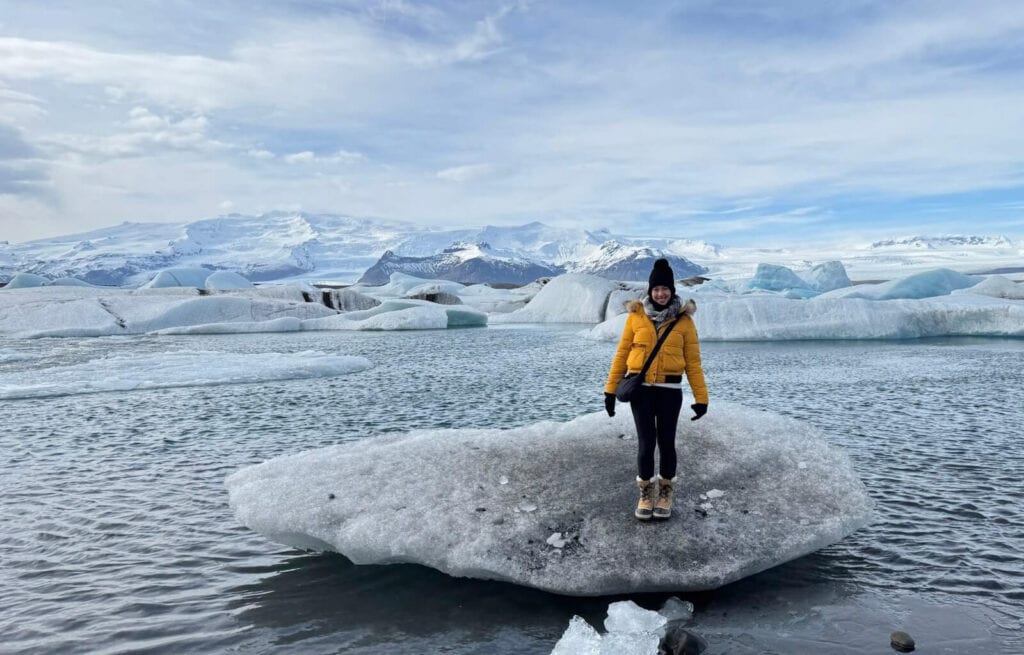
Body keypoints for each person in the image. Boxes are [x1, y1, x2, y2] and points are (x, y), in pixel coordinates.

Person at [604, 258, 709, 520]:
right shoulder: (636, 317)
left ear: (672, 291)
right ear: (650, 291)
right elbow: (622, 354)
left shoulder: (684, 322)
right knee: (646, 443)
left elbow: (693, 364)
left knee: (667, 443)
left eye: (665, 289)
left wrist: (701, 398)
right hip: (641, 391)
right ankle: (645, 494)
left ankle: (665, 494)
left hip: (669, 391)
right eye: (656, 289)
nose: (660, 294)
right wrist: (610, 390)